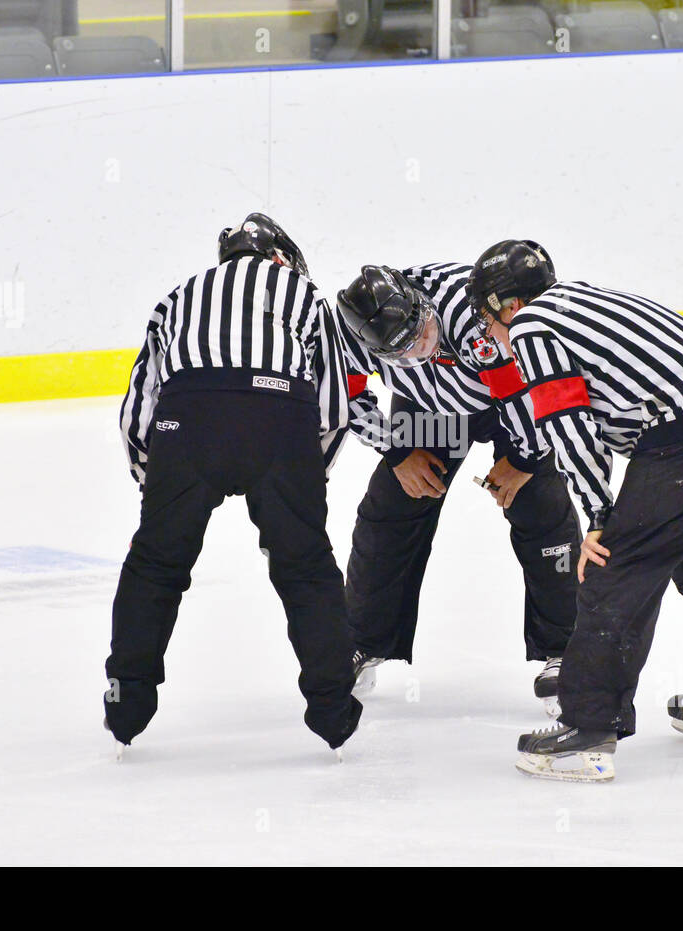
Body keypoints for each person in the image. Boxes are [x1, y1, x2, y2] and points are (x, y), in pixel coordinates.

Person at [467, 240, 683, 783]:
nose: (492, 334)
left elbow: (568, 425)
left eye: (488, 318)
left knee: (617, 567)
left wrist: (599, 518)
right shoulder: (581, 299)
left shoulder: (532, 327)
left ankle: (587, 728)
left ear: (505, 305)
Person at [104, 213, 362, 757]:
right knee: (305, 565)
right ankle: (333, 708)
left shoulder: (177, 296)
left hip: (187, 419)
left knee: (156, 562)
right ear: (280, 259)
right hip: (279, 419)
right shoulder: (305, 294)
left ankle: (127, 701)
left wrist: (156, 483)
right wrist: (304, 483)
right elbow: (334, 407)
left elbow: (138, 409)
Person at [334, 263, 581, 713]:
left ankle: (567, 653)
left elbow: (529, 394)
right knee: (390, 508)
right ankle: (361, 641)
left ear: (423, 304)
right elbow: (344, 395)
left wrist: (523, 460)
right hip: (433, 408)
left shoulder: (473, 313)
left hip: (508, 395)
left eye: (423, 332)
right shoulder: (347, 338)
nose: (422, 349)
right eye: (402, 352)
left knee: (539, 504)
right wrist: (395, 452)